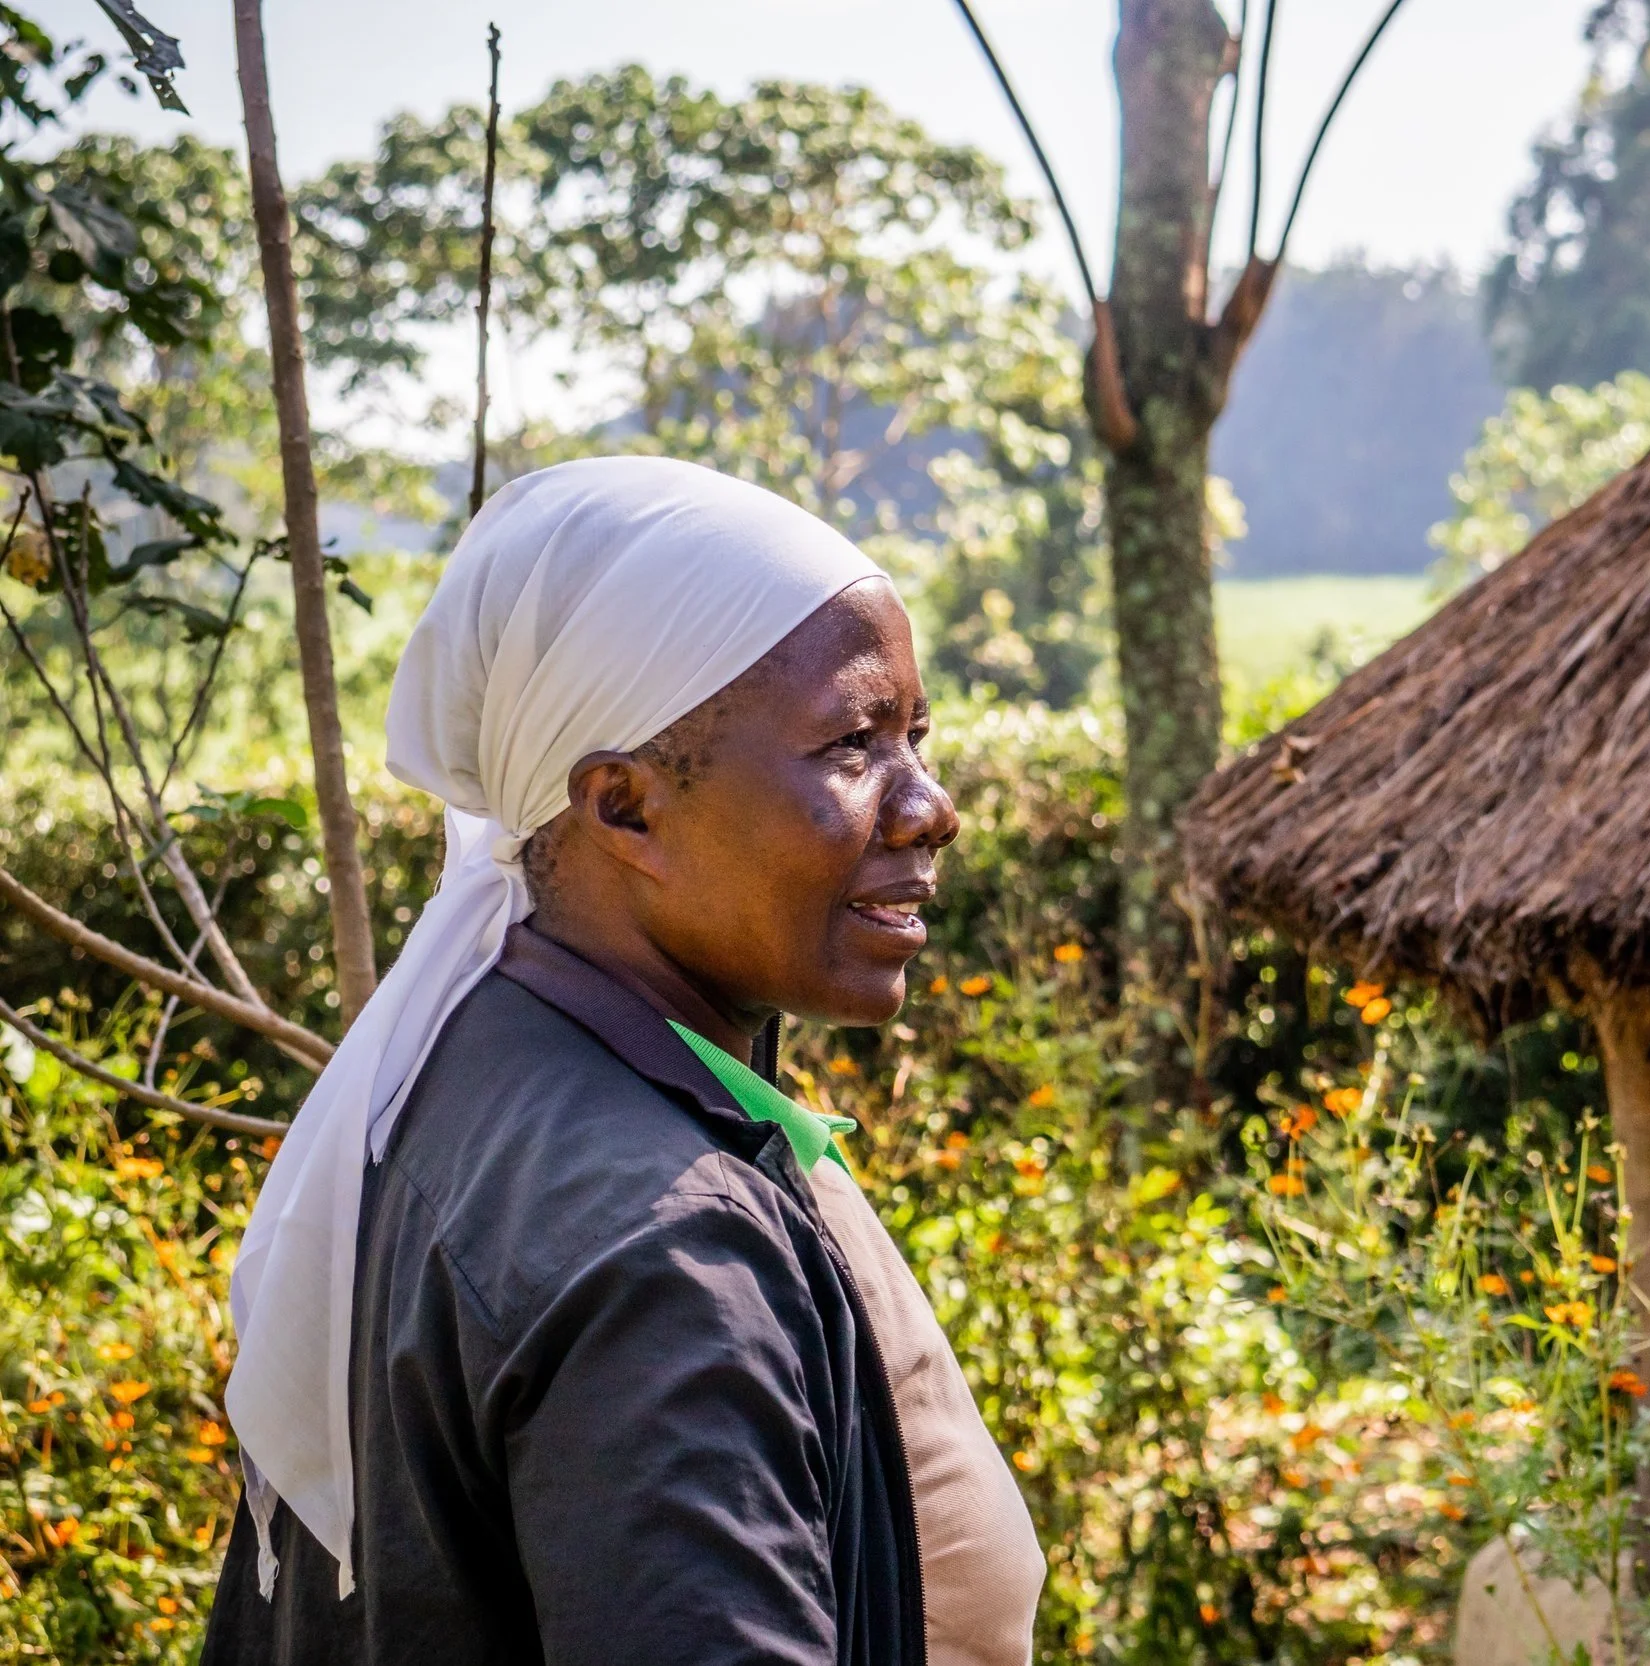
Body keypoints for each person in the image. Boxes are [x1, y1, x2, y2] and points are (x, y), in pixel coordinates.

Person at [201, 457, 1046, 1666]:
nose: (931, 805)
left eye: (917, 733)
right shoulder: (663, 1257)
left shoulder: (464, 1069)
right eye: (854, 743)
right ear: (624, 807)